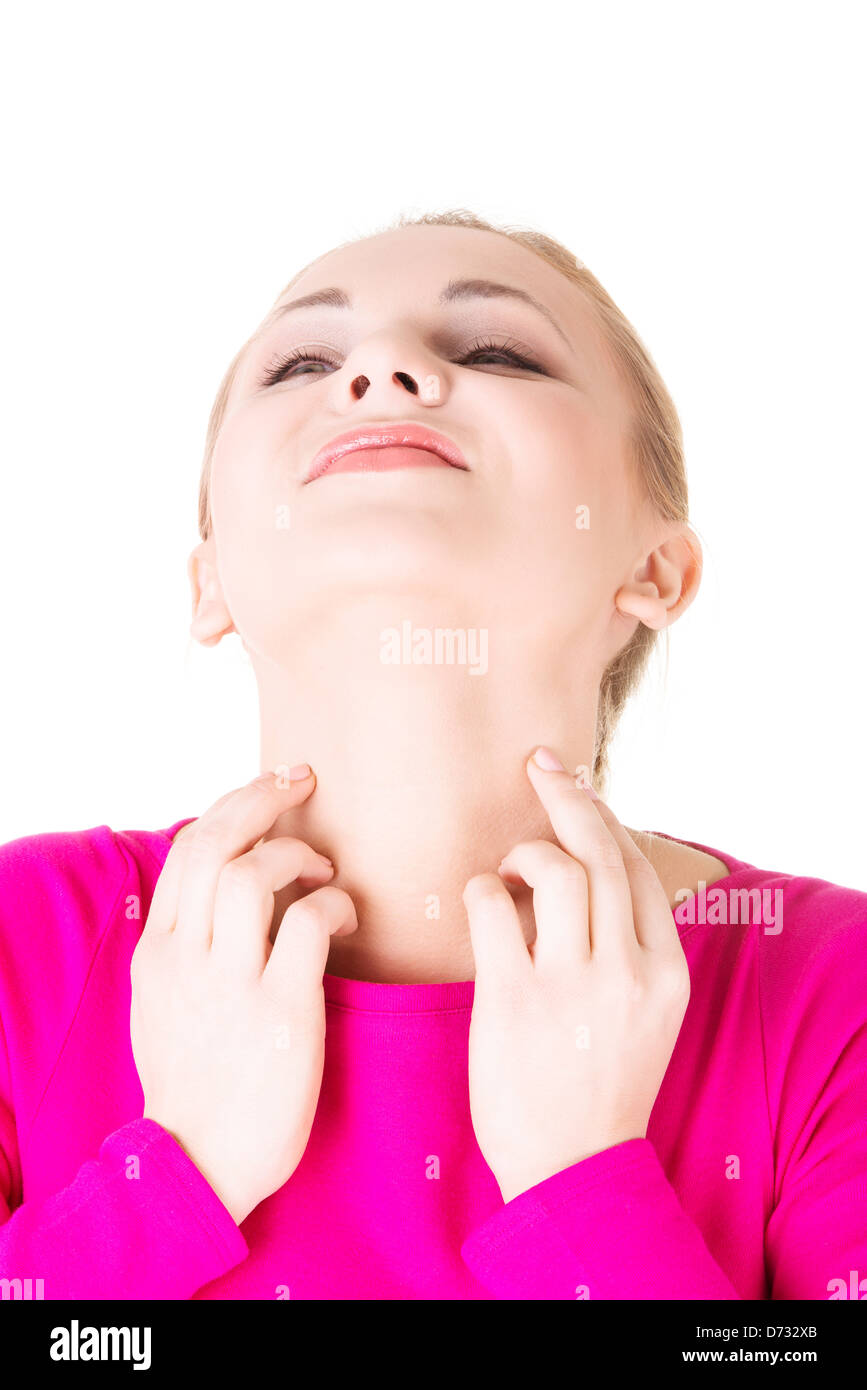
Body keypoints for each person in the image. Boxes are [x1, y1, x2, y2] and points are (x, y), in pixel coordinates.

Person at [1, 210, 865, 1301]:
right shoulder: (27, 943)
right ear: (208, 579)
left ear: (658, 569)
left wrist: (586, 1185)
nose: (381, 368)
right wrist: (169, 1176)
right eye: (306, 361)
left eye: (498, 350)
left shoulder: (831, 992)